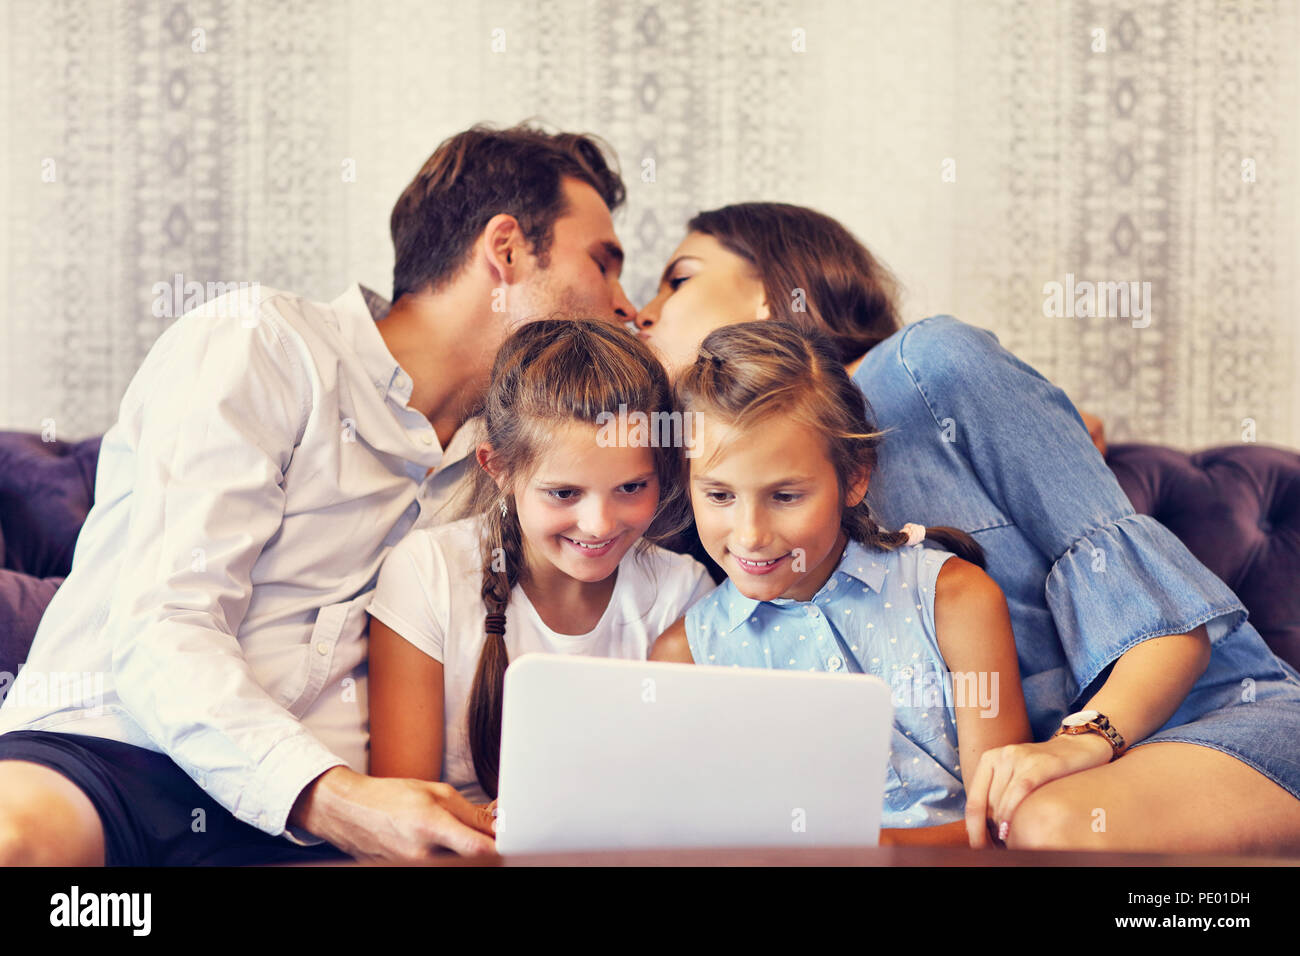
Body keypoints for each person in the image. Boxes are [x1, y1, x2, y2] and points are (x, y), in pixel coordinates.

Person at [0, 123, 639, 865]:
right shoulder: (261, 345)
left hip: (319, 832)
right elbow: (163, 625)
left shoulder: (515, 473)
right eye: (604, 264)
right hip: (119, 751)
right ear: (506, 249)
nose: (624, 304)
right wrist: (332, 797)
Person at [637, 202, 1300, 853]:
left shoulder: (931, 364)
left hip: (1204, 723)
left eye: (679, 278)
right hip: (1053, 786)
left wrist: (1076, 745)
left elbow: (1173, 629)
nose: (645, 309)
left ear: (771, 295)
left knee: (1046, 827)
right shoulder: (722, 511)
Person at [650, 321, 1032, 846]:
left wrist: (866, 852)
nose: (751, 535)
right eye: (719, 496)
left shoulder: (955, 601)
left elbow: (997, 824)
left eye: (785, 496)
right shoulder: (684, 657)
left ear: (854, 478)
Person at [367, 319, 713, 802]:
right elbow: (401, 820)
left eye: (631, 487)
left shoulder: (683, 592)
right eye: (564, 493)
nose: (598, 524)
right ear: (499, 468)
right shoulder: (428, 573)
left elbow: (681, 797)